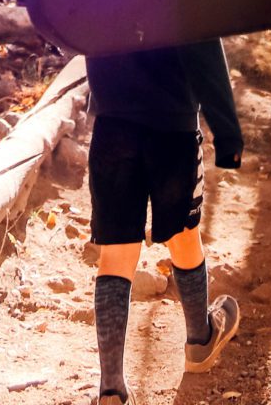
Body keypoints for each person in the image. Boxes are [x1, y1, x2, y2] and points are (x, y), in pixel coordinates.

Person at [85, 39, 243, 404]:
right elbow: (203, 47)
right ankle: (200, 340)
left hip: (112, 128)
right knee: (184, 235)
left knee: (116, 253)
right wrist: (228, 132)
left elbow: (68, 21)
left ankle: (111, 388)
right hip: (172, 130)